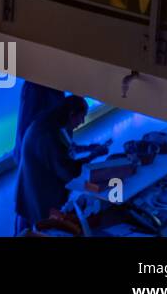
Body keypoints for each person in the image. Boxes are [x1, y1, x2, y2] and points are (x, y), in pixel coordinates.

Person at [13, 94, 108, 234]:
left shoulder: (51, 123)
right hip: (39, 194)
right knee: (42, 229)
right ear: (71, 114)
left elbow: (67, 147)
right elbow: (67, 171)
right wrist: (93, 158)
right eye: (81, 117)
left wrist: (89, 148)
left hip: (32, 190)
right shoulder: (47, 135)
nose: (82, 122)